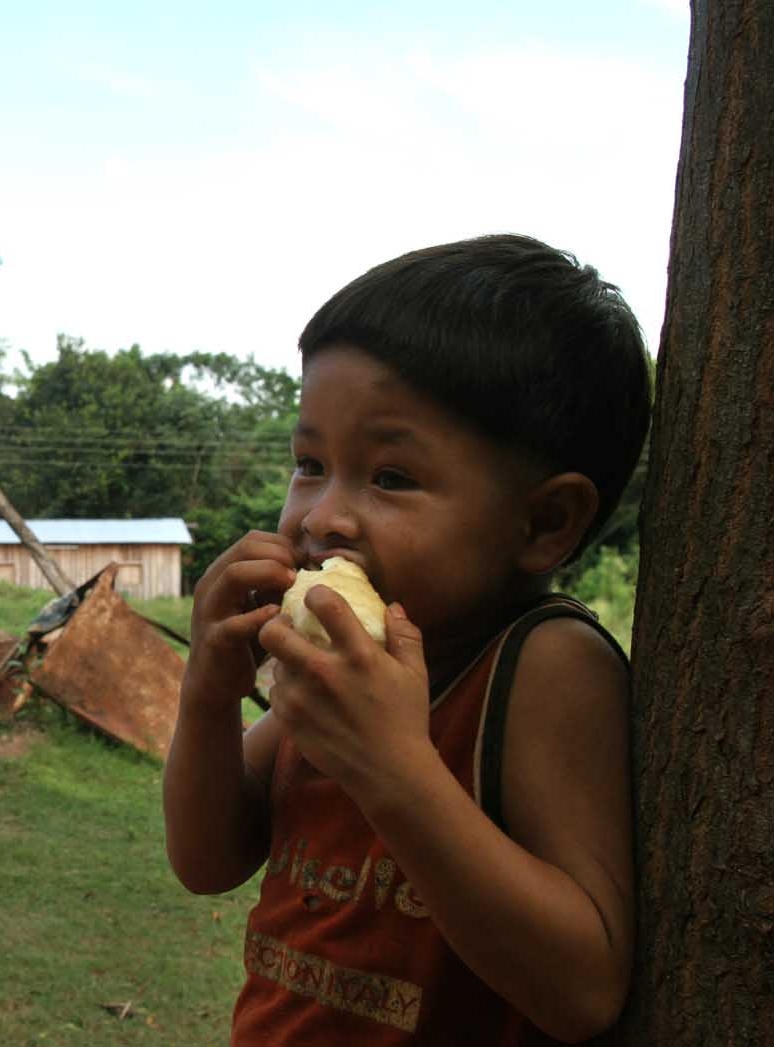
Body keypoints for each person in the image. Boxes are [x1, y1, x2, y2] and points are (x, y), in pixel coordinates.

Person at [163, 234, 651, 1045]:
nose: (321, 516)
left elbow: (585, 986)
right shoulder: (338, 675)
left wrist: (389, 765)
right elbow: (205, 861)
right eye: (309, 463)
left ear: (543, 522)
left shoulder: (544, 665)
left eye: (389, 477)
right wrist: (208, 695)